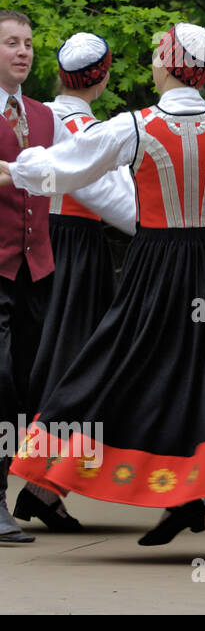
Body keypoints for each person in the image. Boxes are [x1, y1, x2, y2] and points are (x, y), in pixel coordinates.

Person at [1, 24, 205, 549]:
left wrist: (14, 170)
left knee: (127, 365)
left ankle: (170, 495)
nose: (154, 62)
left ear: (168, 66)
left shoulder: (134, 126)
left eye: (159, 55)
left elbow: (66, 170)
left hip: (156, 266)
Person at [17, 32, 137, 534]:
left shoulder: (38, 114)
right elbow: (118, 202)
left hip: (37, 242)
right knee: (81, 364)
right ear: (103, 77)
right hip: (77, 248)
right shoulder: (88, 129)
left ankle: (45, 486)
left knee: (51, 358)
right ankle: (43, 484)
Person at [0, 9, 55, 544]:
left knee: (26, 383)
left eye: (29, 42)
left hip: (34, 268)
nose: (23, 51)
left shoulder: (43, 116)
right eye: (12, 42)